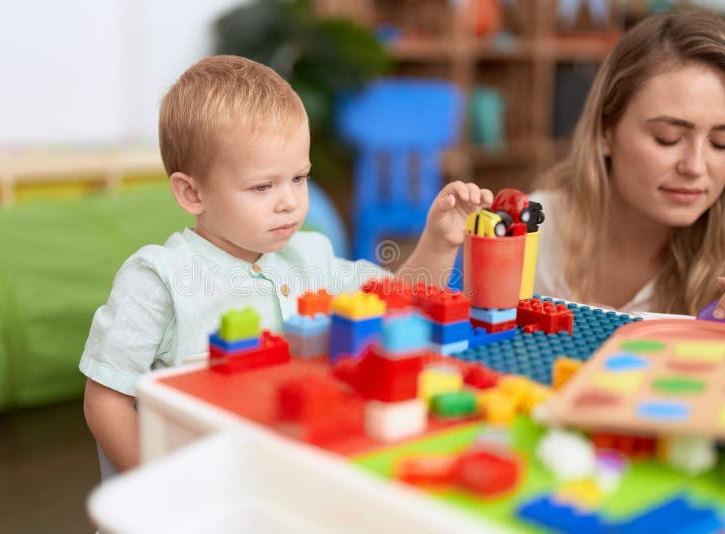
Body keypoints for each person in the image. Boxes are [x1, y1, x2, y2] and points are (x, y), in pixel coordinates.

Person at [80, 55, 492, 472]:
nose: (290, 202)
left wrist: (439, 242)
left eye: (299, 178)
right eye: (263, 186)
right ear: (192, 194)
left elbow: (398, 304)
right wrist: (158, 497)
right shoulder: (157, 280)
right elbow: (105, 400)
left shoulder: (312, 256)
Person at [530, 7, 725, 317]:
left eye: (720, 143)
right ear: (605, 131)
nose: (695, 166)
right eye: (668, 137)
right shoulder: (533, 229)